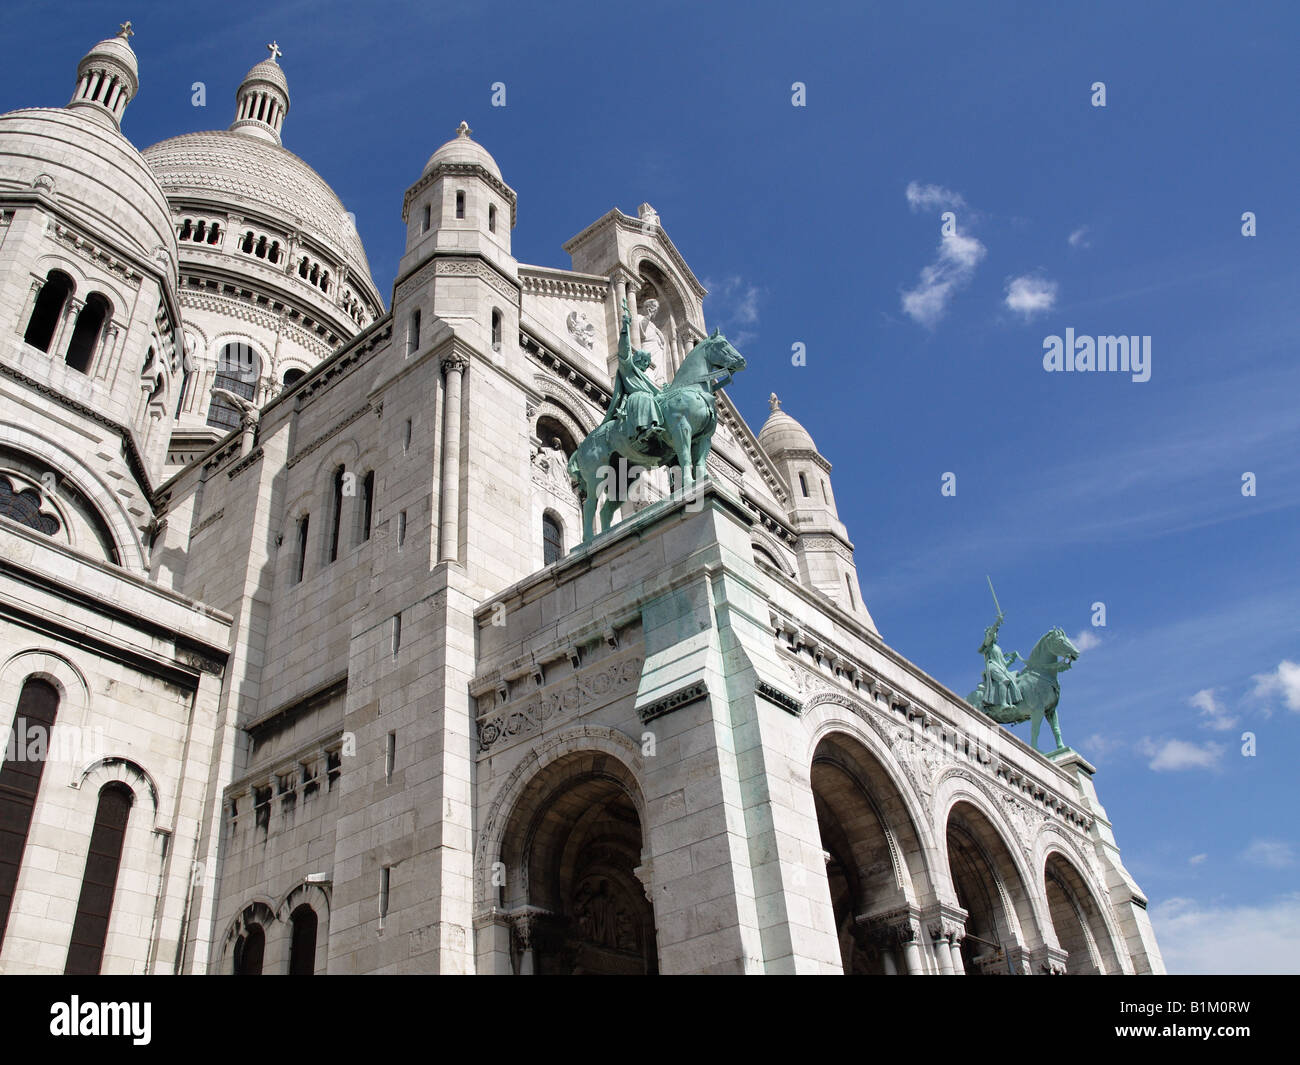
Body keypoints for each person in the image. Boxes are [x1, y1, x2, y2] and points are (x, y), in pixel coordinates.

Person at [601, 300, 663, 446]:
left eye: (646, 364)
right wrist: (625, 330)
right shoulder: (628, 367)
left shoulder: (644, 378)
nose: (645, 366)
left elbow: (656, 391)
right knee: (645, 397)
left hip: (646, 400)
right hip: (634, 401)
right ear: (637, 359)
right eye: (643, 362)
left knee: (653, 399)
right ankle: (643, 430)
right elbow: (624, 349)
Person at [978, 615, 1022, 711]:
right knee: (1004, 680)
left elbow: (1004, 665)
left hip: (1000, 668)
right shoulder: (988, 644)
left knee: (1013, 679)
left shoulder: (998, 648)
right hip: (992, 667)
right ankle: (1003, 704)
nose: (995, 635)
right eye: (994, 633)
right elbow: (990, 633)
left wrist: (1012, 659)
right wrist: (997, 623)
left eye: (996, 634)